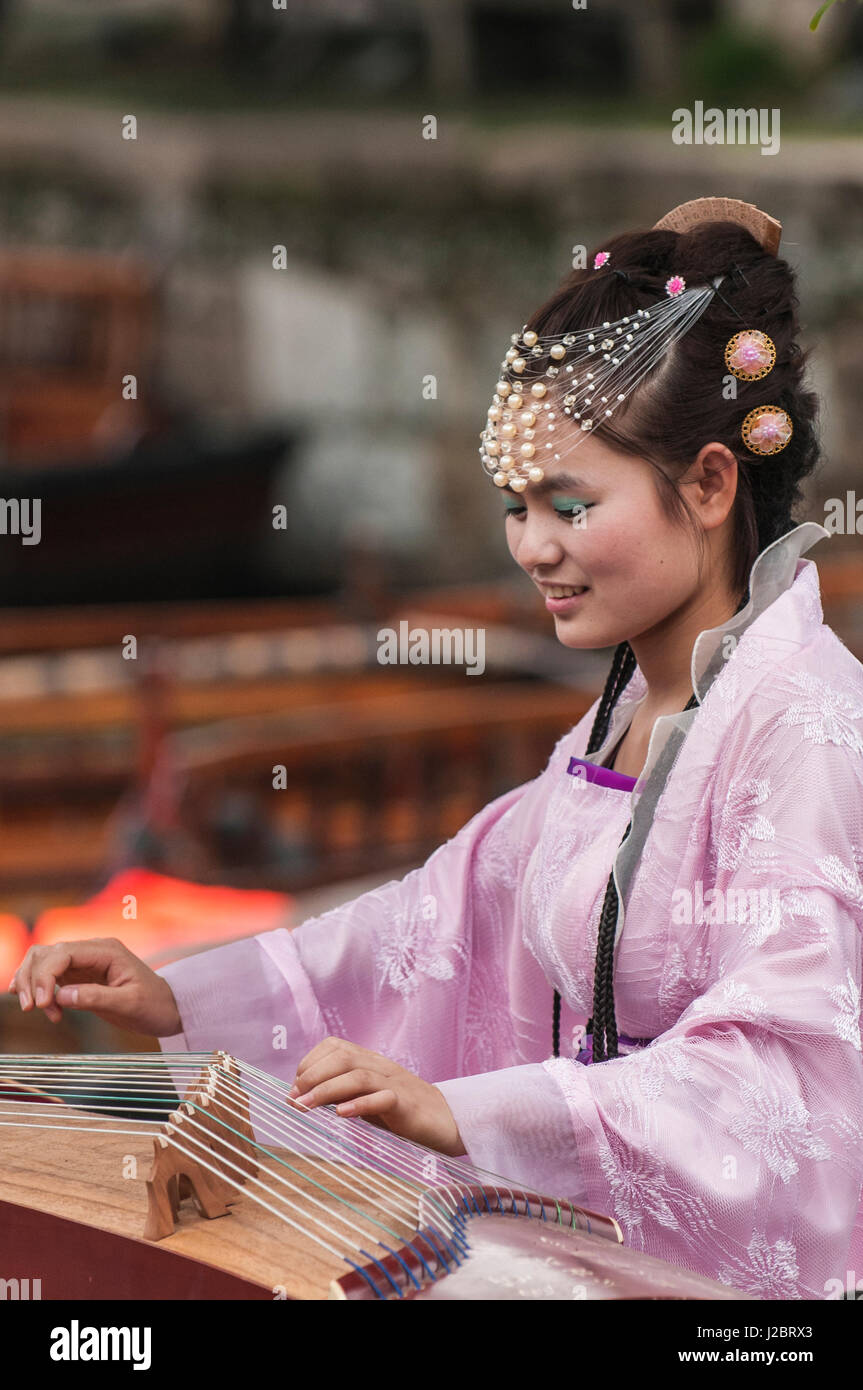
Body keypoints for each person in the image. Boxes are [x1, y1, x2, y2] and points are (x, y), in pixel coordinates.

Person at [10, 197, 863, 1300]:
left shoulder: (807, 730)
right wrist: (180, 995)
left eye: (568, 502)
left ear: (706, 483)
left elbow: (787, 1082)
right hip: (593, 1256)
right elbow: (437, 919)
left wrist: (468, 1111)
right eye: (515, 507)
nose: (531, 548)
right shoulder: (624, 711)